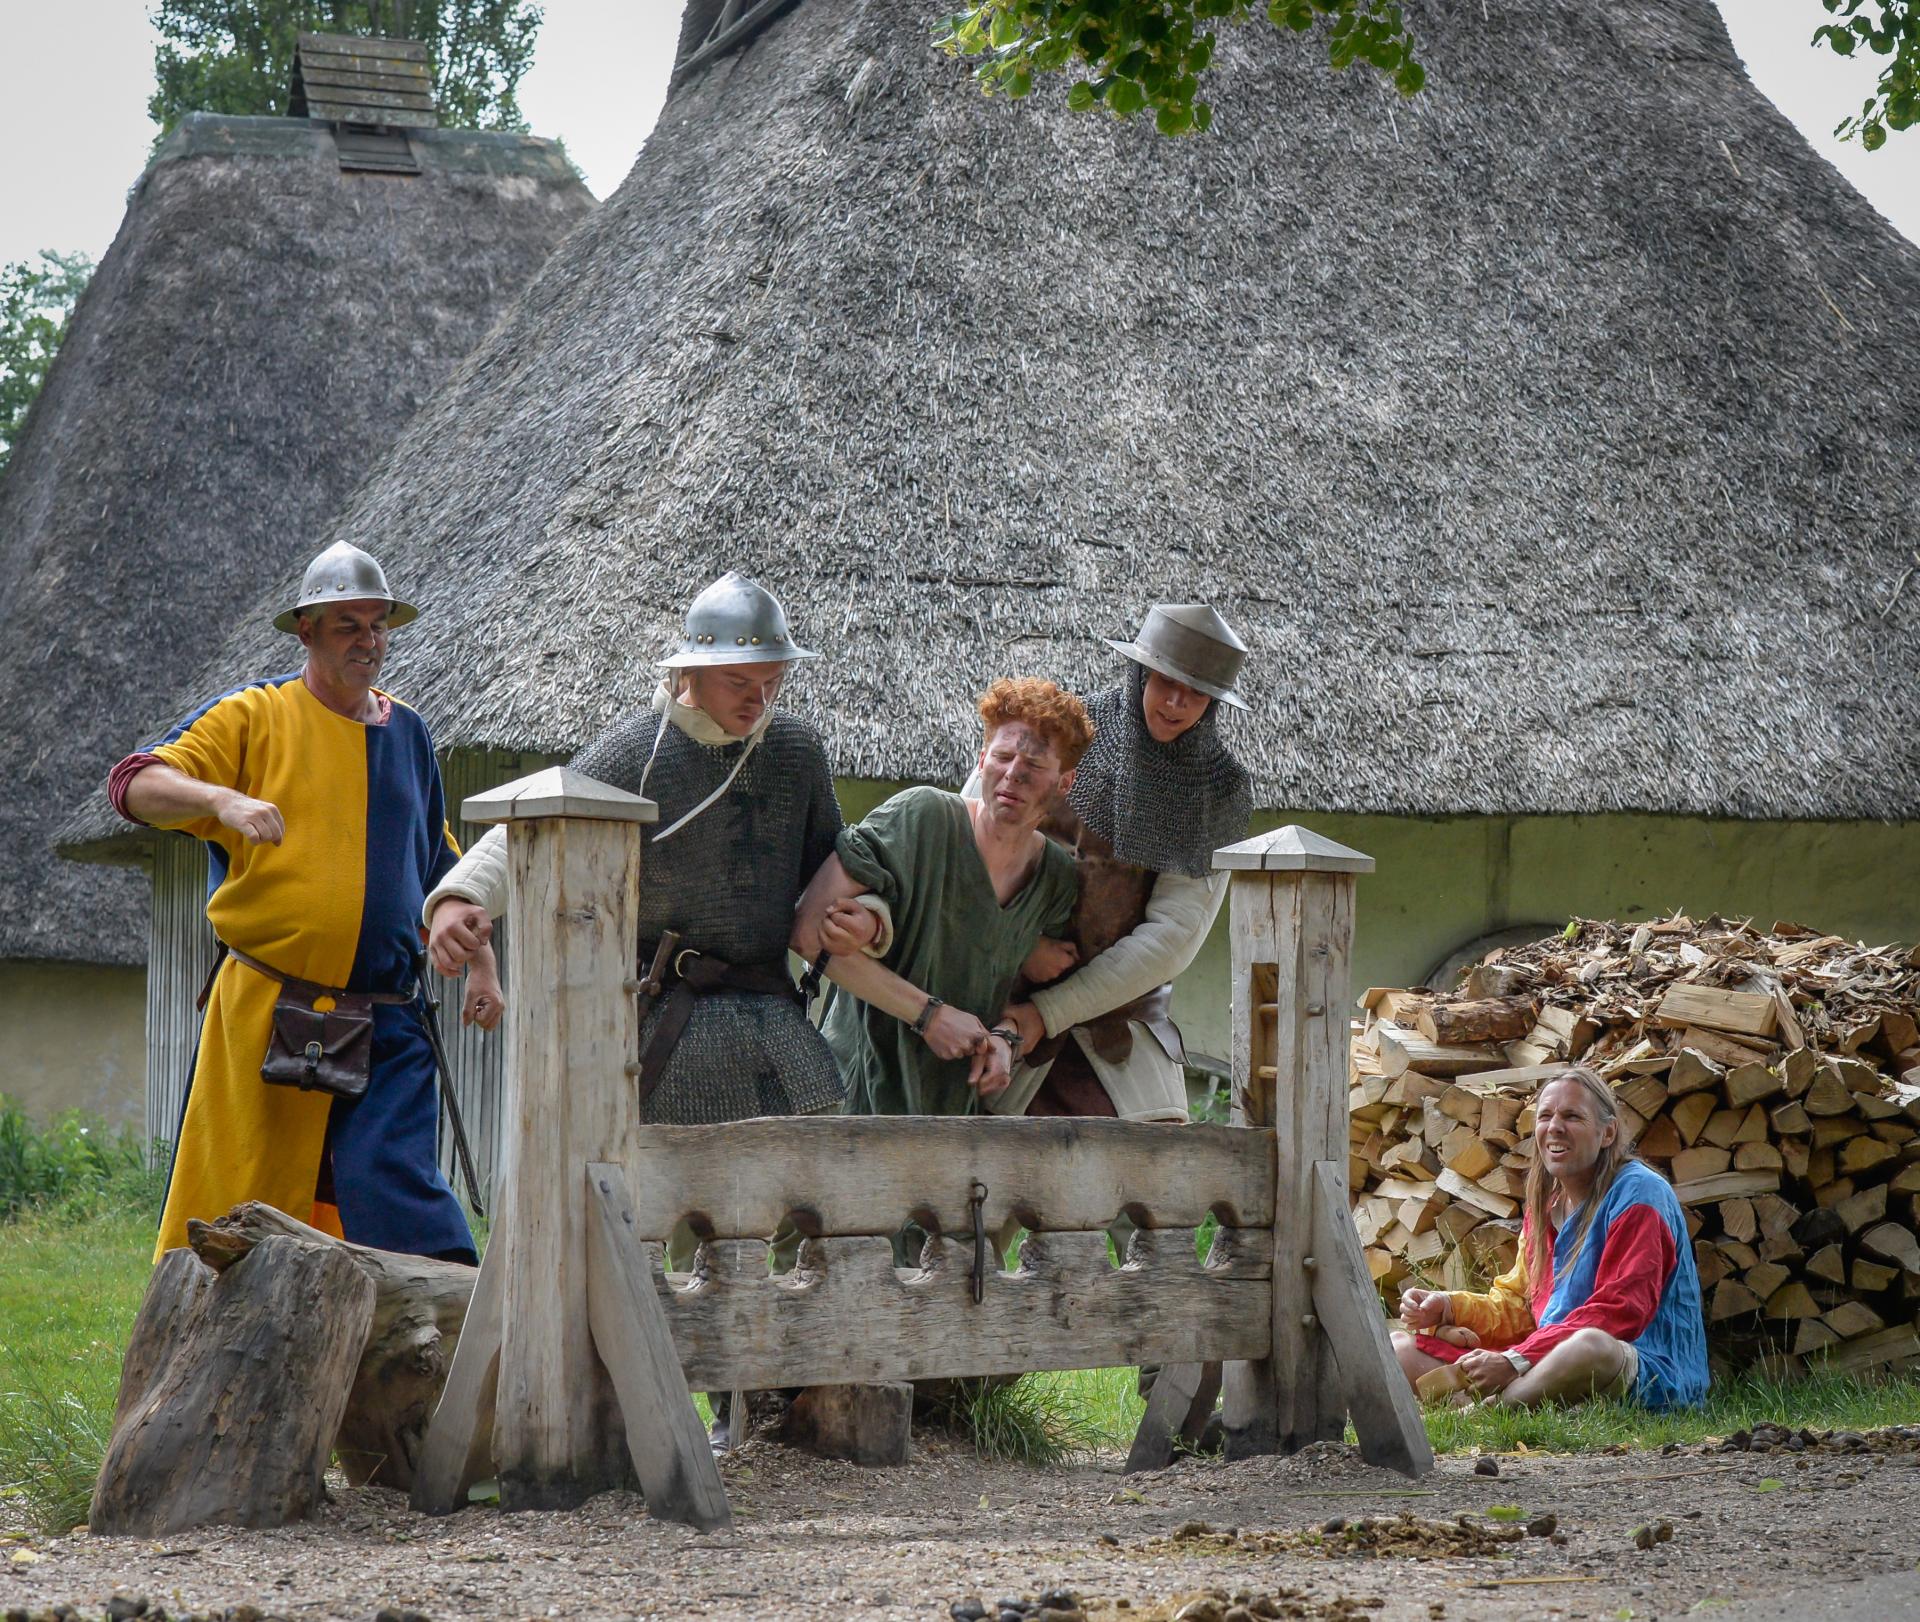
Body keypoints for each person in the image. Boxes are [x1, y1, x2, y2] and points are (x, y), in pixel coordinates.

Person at [110, 540, 481, 1265]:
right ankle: (216, 1356)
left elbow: (439, 864)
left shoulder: (409, 732)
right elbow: (134, 784)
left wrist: (477, 950)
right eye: (348, 624)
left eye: (377, 625)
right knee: (239, 1214)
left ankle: (448, 1358)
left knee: (398, 1202)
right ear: (306, 631)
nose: (368, 641)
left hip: (387, 1019)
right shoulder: (253, 716)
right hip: (268, 1013)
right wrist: (222, 797)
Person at [424, 571, 844, 1129]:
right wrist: (460, 896)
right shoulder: (638, 753)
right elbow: (539, 823)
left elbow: (835, 870)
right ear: (690, 671)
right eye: (740, 682)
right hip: (669, 1027)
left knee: (801, 1197)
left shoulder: (796, 750)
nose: (758, 700)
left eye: (772, 682)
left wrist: (868, 914)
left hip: (777, 1024)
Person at [988, 604, 1253, 1122]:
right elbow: (966, 848)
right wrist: (1015, 947)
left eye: (1197, 692)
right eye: (1165, 681)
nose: (1177, 703)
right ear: (1140, 672)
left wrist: (1050, 1013)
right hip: (999, 1014)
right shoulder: (1056, 735)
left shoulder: (1212, 790)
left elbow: (1171, 937)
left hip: (1119, 1042)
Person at [792, 678, 1090, 1118]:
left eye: (1034, 764)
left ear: (1065, 782)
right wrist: (927, 1015)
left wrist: (1005, 1039)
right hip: (852, 1101)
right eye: (1003, 757)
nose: (1013, 775)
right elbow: (807, 932)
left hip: (949, 1115)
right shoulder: (921, 818)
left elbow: (1018, 997)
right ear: (982, 758)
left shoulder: (1055, 880)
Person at [1391, 1066, 1709, 1410]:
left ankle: (1493, 1410)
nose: (1554, 1127)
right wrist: (1451, 1307)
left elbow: (1622, 1311)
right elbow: (1522, 1309)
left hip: (1639, 1369)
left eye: (1572, 1116)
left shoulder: (1641, 1194)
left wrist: (1515, 1361)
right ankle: (1503, 1399)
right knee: (1400, 1347)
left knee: (1590, 1345)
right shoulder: (1547, 1205)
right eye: (1545, 1116)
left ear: (1607, 1133)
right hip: (1543, 1358)